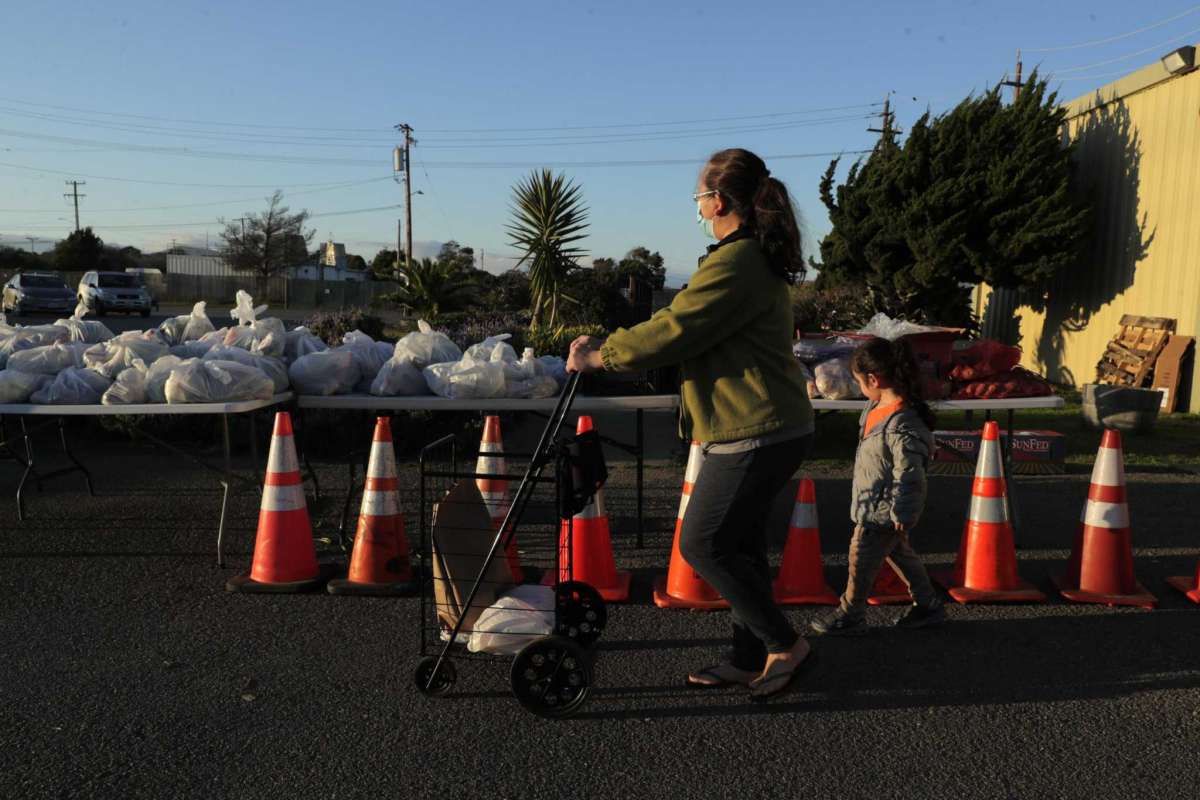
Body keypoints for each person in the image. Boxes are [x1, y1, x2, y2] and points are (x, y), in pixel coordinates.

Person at [567, 148, 815, 700]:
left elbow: (676, 329)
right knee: (740, 547)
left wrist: (600, 356)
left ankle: (783, 645)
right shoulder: (741, 258)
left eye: (700, 196)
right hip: (760, 423)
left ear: (719, 200)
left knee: (703, 543)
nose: (699, 206)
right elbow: (677, 323)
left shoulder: (737, 261)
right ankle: (749, 657)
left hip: (758, 427)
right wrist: (616, 343)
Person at [810, 337, 946, 635]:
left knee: (859, 556)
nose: (859, 387)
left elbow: (910, 473)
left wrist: (903, 512)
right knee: (900, 555)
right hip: (875, 503)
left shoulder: (903, 424)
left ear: (874, 378)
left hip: (884, 509)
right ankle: (928, 605)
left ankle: (851, 612)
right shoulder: (875, 406)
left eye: (859, 381)